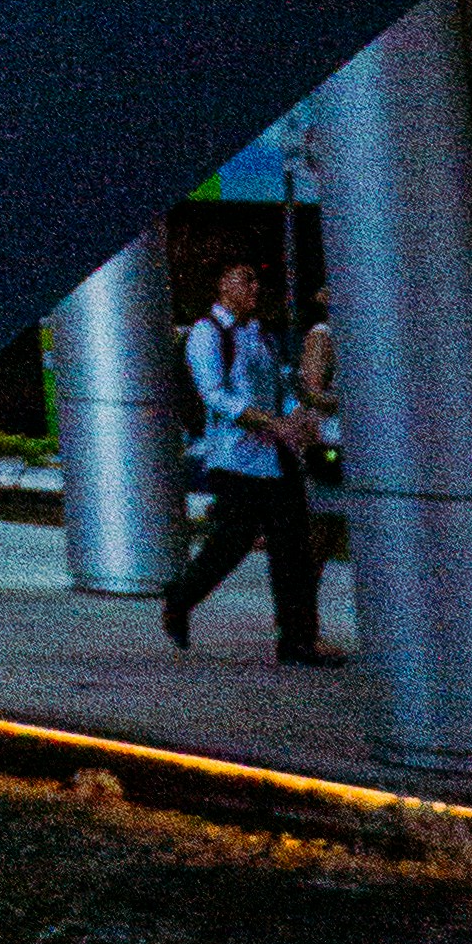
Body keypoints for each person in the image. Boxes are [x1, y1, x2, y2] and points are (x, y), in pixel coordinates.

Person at [164, 249, 322, 663]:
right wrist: (270, 423)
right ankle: (180, 598)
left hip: (277, 457)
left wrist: (295, 419)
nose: (255, 288)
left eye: (256, 280)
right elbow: (214, 394)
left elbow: (278, 389)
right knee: (232, 543)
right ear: (221, 284)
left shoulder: (260, 334)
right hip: (235, 459)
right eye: (245, 278)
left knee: (293, 551)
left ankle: (297, 641)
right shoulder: (207, 333)